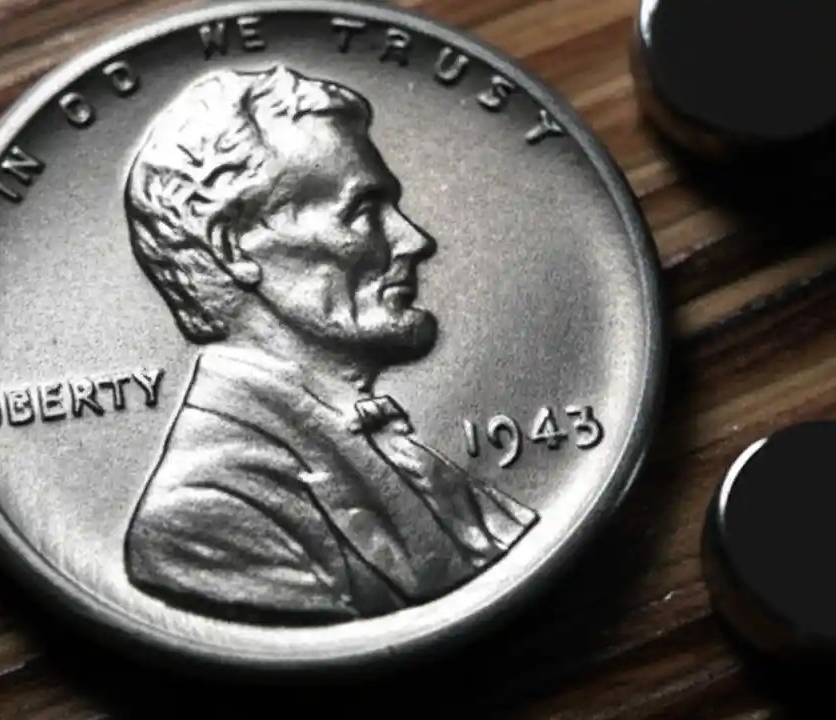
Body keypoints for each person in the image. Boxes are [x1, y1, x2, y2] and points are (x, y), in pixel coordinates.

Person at [122, 65, 538, 625]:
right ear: (232, 248)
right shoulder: (204, 516)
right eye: (363, 211)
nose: (416, 240)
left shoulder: (384, 444)